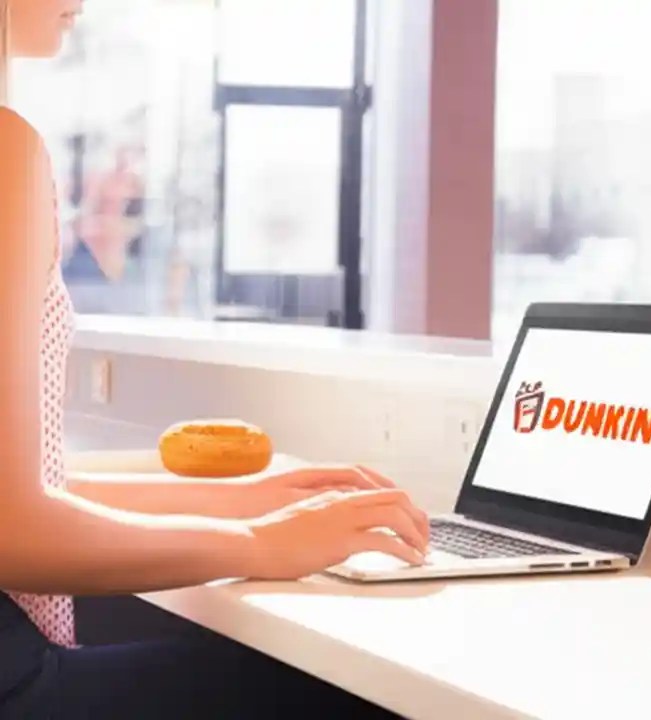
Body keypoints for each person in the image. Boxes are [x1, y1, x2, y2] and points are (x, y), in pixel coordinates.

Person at [0, 1, 429, 716]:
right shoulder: (6, 149)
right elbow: (13, 529)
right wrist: (258, 542)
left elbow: (25, 492)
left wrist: (234, 500)